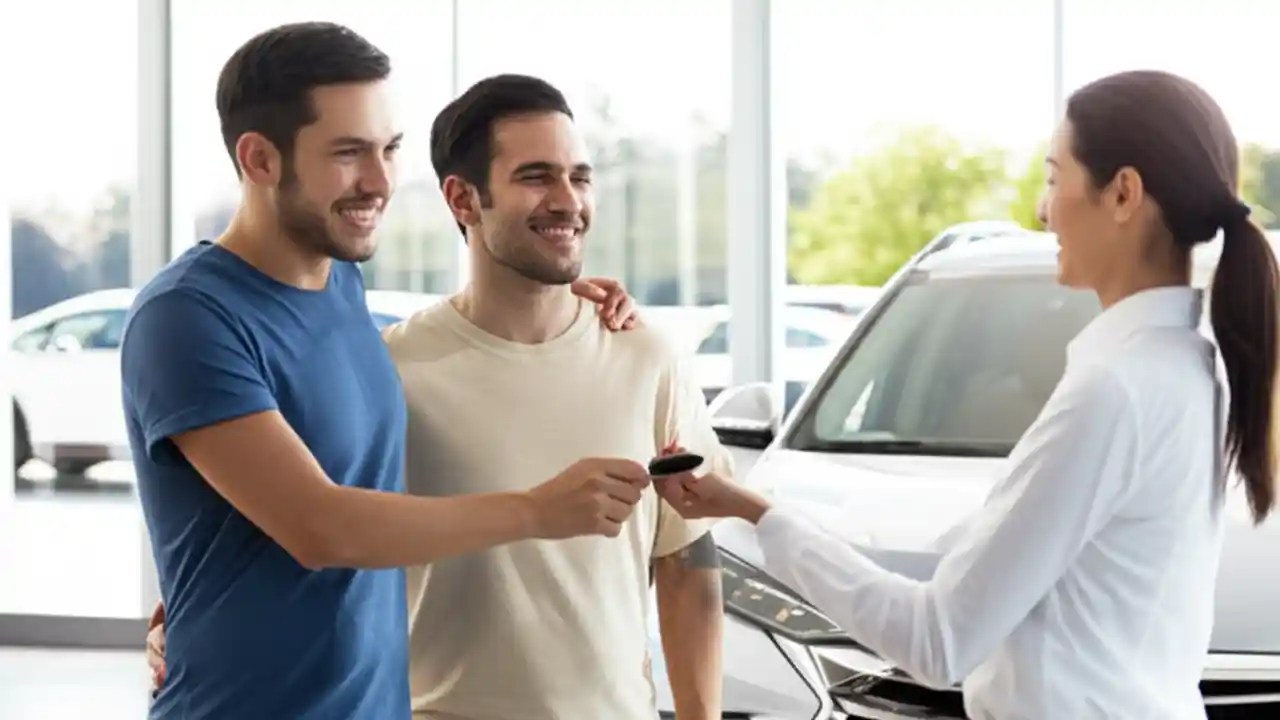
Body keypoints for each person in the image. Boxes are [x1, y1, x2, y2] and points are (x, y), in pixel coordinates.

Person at [655, 69, 1279, 719]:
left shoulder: (1112, 392)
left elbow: (936, 640)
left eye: (1052, 176)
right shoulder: (1188, 369)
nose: (1043, 209)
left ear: (1122, 193)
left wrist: (759, 514)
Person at [148, 72, 733, 720]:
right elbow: (303, 518)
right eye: (537, 177)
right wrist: (185, 612)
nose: (569, 200)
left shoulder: (646, 355)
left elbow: (686, 560)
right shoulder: (389, 369)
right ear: (462, 199)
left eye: (580, 176)